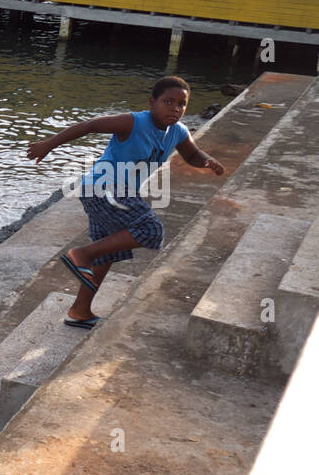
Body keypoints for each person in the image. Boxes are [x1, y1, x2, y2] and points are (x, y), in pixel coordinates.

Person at [27, 76, 225, 328]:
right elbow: (89, 126)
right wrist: (48, 145)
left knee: (106, 254)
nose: (175, 108)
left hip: (115, 192)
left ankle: (79, 311)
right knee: (151, 229)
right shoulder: (132, 122)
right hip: (103, 187)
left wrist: (207, 161)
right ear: (152, 102)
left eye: (181, 104)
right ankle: (81, 255)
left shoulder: (178, 131)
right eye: (168, 101)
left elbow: (192, 154)